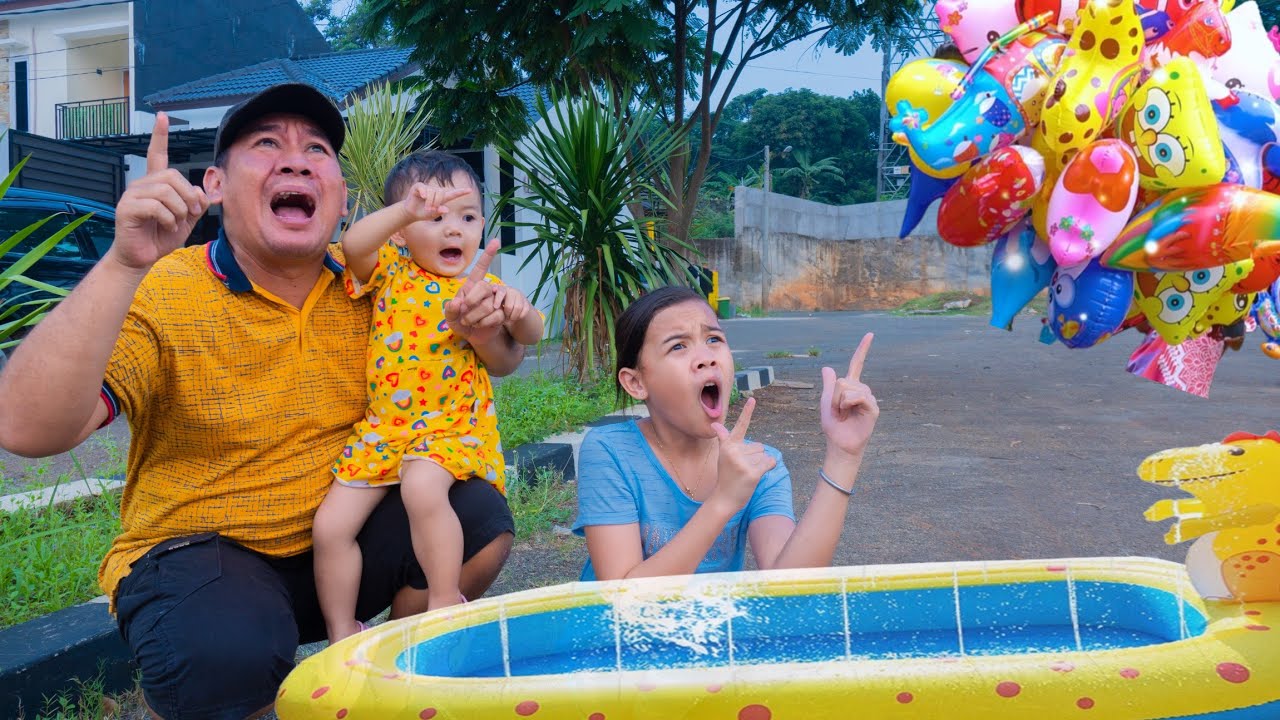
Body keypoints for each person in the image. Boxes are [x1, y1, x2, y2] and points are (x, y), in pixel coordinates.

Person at [0, 84, 515, 720]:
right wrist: (121, 264)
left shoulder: (380, 287)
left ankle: (384, 684)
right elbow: (26, 427)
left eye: (317, 149)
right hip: (206, 553)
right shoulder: (166, 289)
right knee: (222, 658)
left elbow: (497, 355)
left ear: (342, 198)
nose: (296, 161)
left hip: (339, 533)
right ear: (214, 183)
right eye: (267, 143)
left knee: (480, 519)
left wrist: (492, 323)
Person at [314, 151, 542, 643]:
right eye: (434, 218)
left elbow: (532, 334)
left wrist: (518, 311)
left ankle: (442, 601)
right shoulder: (390, 271)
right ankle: (341, 635)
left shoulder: (481, 287)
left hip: (452, 427)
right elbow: (353, 243)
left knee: (422, 489)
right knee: (330, 528)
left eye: (467, 217)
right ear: (400, 231)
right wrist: (404, 210)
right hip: (384, 432)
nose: (453, 230)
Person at [573, 286, 879, 580]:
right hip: (618, 633)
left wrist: (844, 456)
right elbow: (622, 595)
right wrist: (724, 500)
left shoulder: (759, 466)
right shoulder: (610, 451)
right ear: (636, 383)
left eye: (714, 339)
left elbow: (790, 581)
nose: (707, 357)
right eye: (677, 346)